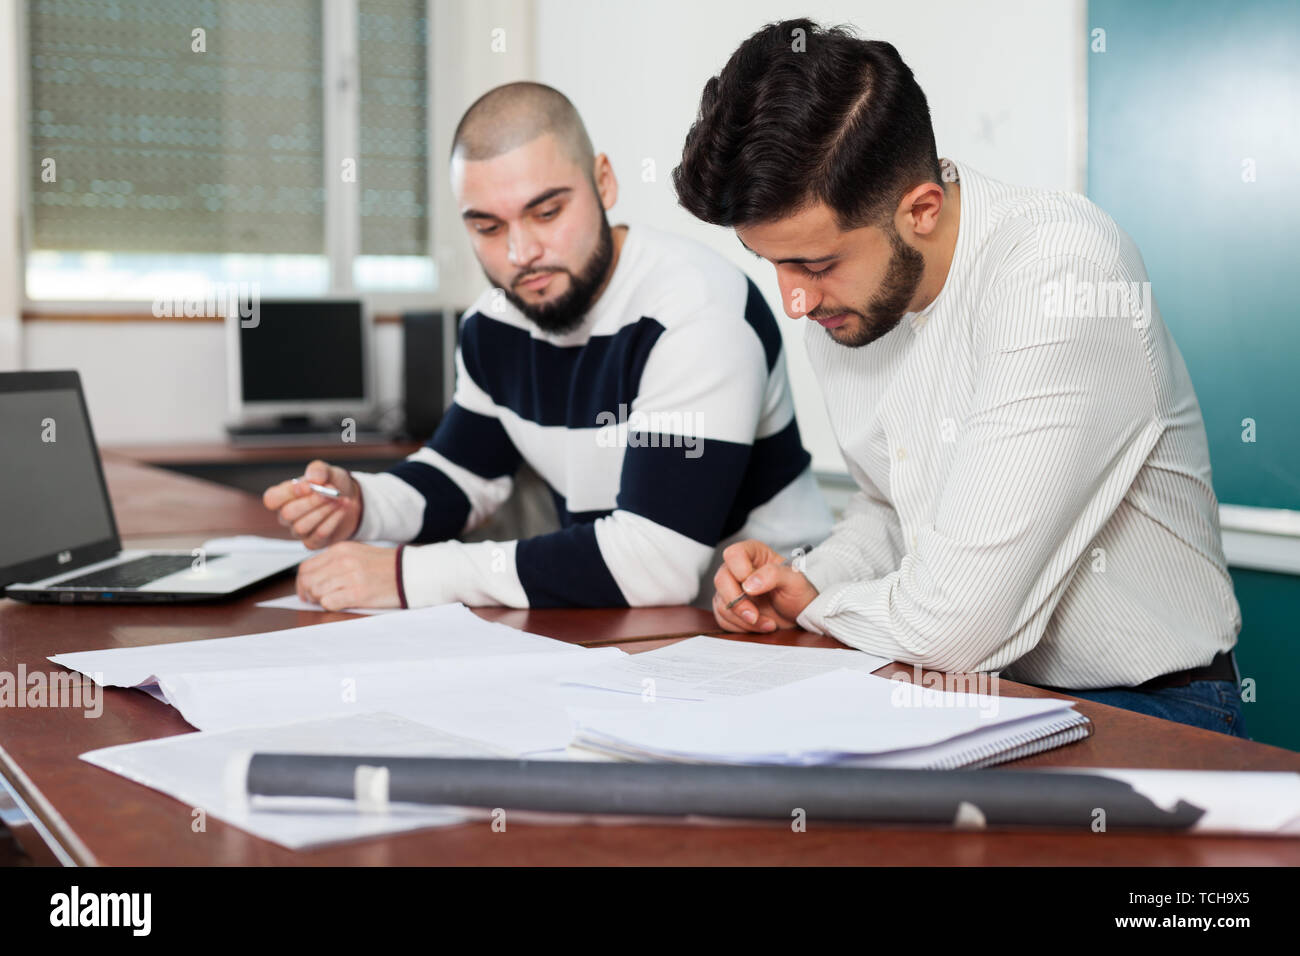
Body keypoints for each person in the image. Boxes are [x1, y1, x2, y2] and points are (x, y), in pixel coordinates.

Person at [672, 19, 1246, 737]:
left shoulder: (1062, 272)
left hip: (1153, 710)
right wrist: (806, 577)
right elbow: (891, 509)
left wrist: (817, 608)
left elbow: (956, 627)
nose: (795, 302)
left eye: (815, 265)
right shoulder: (849, 302)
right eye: (775, 265)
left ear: (921, 210)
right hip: (971, 693)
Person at [263, 81, 831, 612]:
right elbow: (462, 476)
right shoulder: (495, 324)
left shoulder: (697, 311)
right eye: (487, 227)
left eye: (547, 211)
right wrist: (362, 504)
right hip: (626, 623)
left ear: (603, 181)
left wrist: (404, 576)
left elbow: (655, 563)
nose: (520, 253)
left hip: (774, 621)